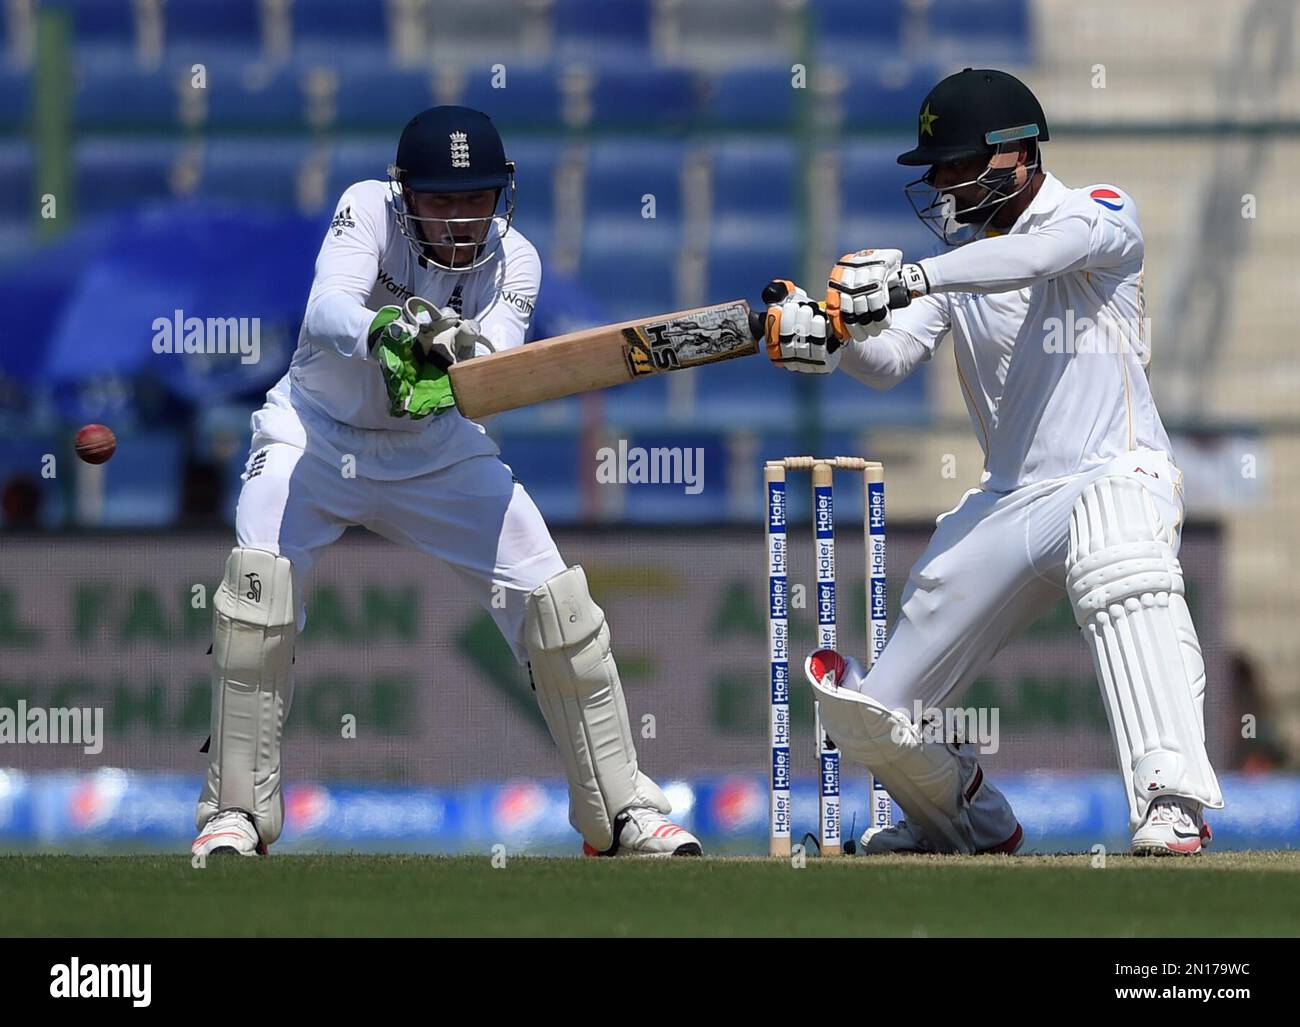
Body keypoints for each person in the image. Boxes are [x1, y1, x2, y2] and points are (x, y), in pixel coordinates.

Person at [192, 106, 700, 859]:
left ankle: (619, 810)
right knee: (257, 595)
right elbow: (327, 307)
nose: (462, 218)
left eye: (478, 198)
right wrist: (390, 332)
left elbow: (495, 367)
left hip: (436, 447)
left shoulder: (516, 259)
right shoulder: (366, 207)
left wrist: (456, 368)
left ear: (502, 195)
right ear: (406, 195)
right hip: (315, 433)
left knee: (558, 608)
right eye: (442, 199)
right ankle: (235, 809)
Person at [764, 68, 1222, 856]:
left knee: (1120, 558)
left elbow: (1039, 258)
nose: (940, 186)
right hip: (1010, 499)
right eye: (933, 171)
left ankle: (1171, 799)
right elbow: (893, 357)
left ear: (1014, 156)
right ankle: (967, 819)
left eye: (952, 166)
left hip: (1117, 472)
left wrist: (908, 277)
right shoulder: (964, 265)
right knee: (872, 712)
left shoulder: (1098, 215)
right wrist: (832, 337)